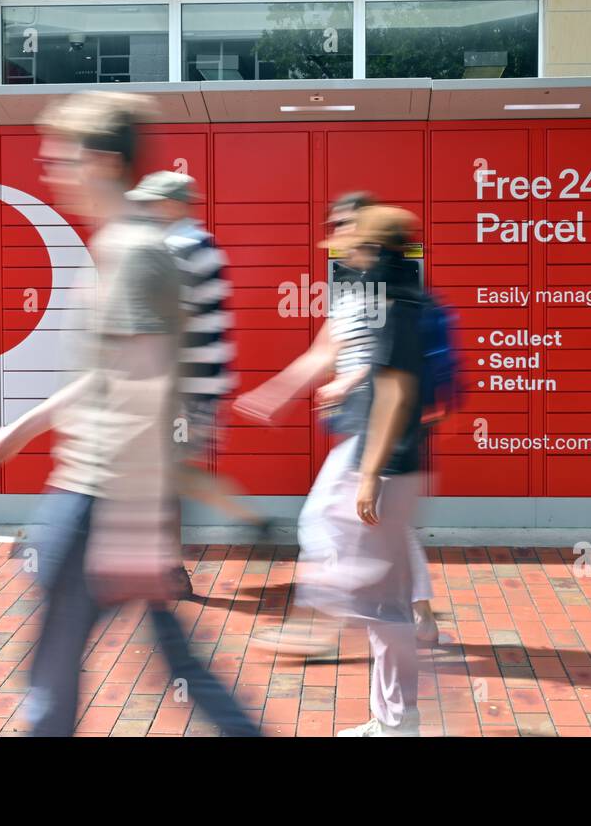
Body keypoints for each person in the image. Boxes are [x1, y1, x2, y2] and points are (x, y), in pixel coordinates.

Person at [0, 92, 259, 737]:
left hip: (99, 498)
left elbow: (144, 388)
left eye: (57, 159)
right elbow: (109, 374)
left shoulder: (133, 252)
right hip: (107, 496)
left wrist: (130, 532)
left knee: (51, 678)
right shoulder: (125, 247)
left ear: (97, 161)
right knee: (163, 660)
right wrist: (22, 430)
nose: (47, 171)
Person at [235, 193, 439, 646]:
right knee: (380, 523)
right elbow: (323, 352)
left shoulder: (389, 286)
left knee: (323, 517)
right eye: (335, 224)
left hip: (381, 420)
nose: (337, 234)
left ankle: (326, 625)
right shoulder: (350, 287)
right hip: (365, 419)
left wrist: (351, 382)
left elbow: (395, 360)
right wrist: (274, 393)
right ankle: (416, 615)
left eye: (345, 224)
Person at [299, 206, 431, 736]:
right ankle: (394, 720)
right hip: (396, 462)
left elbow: (394, 393)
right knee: (388, 601)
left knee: (377, 596)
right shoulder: (398, 300)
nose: (342, 251)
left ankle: (322, 614)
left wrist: (372, 473)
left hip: (387, 463)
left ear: (375, 250)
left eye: (353, 243)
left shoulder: (391, 306)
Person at [126, 170, 272, 597]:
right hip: (190, 383)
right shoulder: (195, 244)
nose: (145, 211)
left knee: (165, 474)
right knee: (165, 472)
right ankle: (236, 522)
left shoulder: (184, 248)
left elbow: (175, 319)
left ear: (172, 205)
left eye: (151, 203)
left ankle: (175, 565)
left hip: (184, 388)